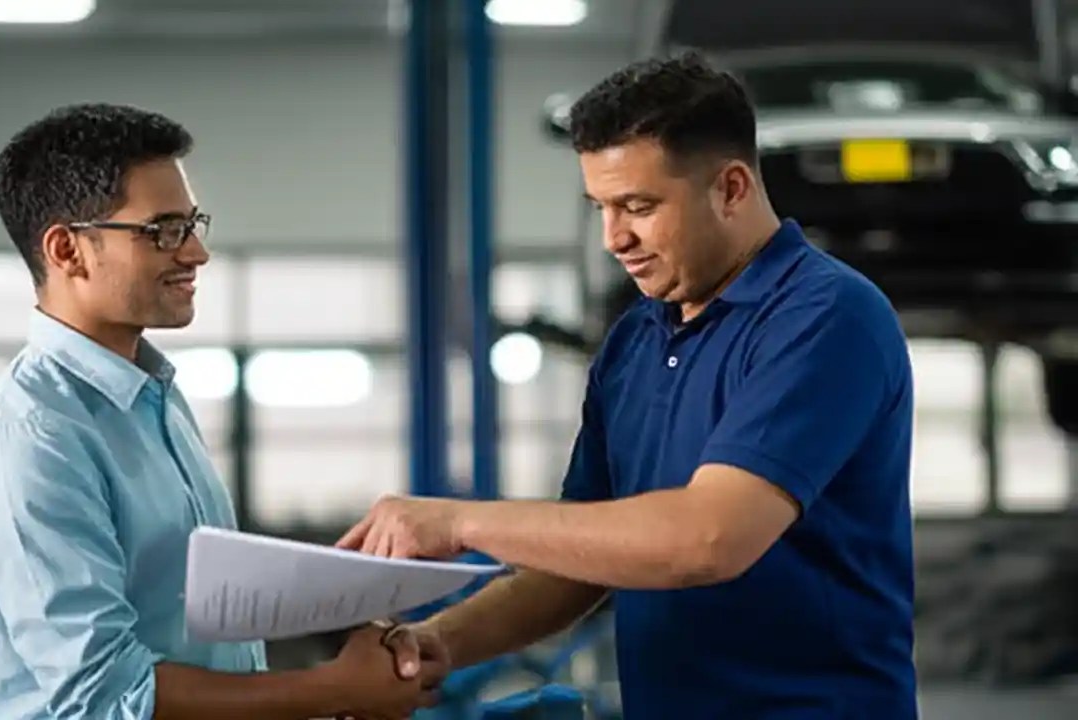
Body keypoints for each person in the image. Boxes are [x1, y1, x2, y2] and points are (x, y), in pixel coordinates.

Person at [341, 53, 918, 719]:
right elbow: (580, 558)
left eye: (639, 206)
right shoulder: (636, 339)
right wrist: (441, 641)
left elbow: (710, 538)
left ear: (731, 188)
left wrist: (460, 520)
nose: (615, 238)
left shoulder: (825, 317)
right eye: (601, 208)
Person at [0, 103, 437, 720]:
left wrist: (351, 615)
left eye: (192, 224)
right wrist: (336, 688)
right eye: (163, 231)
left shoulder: (153, 397)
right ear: (68, 250)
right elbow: (103, 700)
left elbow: (198, 616)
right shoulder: (32, 441)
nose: (197, 252)